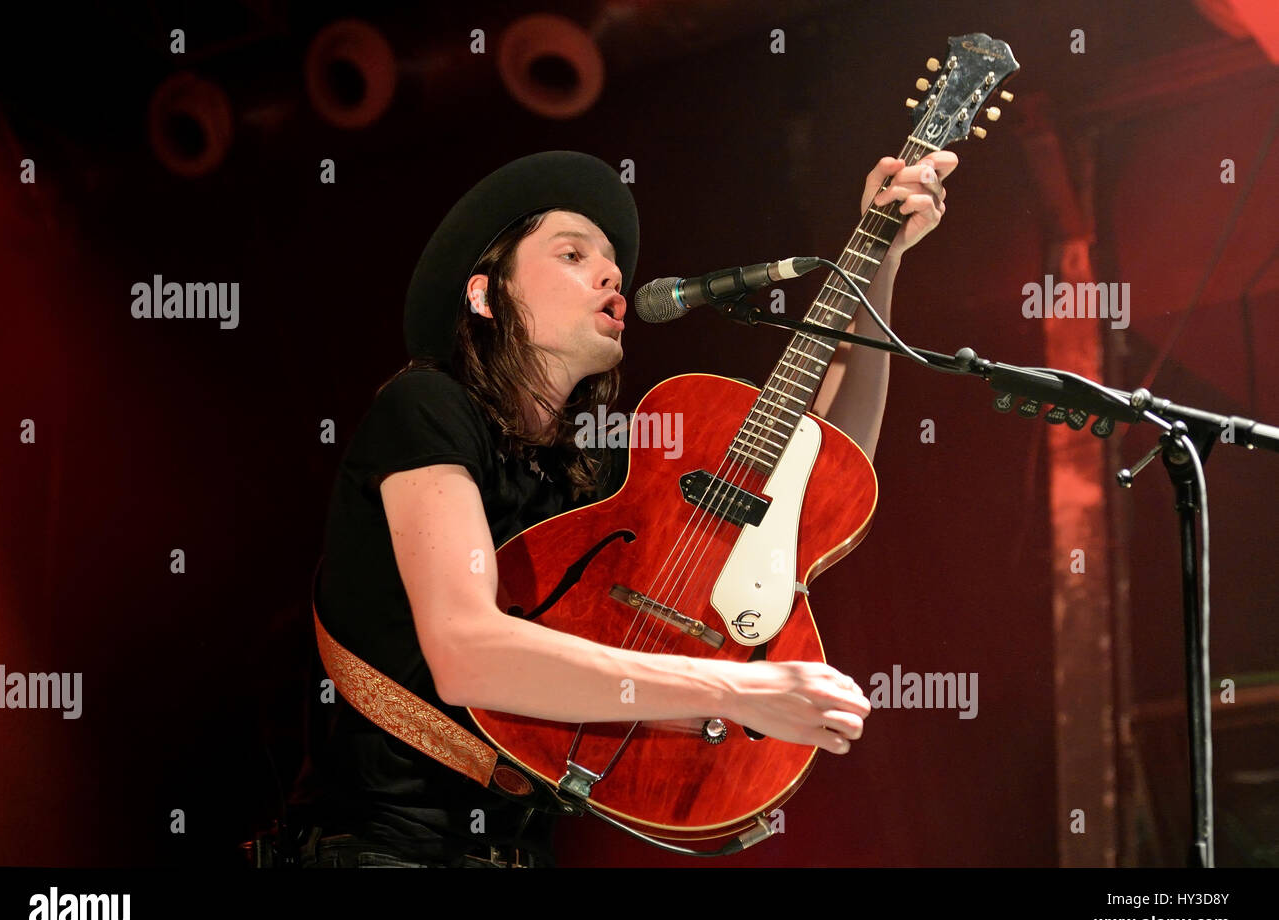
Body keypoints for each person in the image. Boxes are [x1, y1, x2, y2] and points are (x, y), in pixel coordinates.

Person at [291, 148, 955, 868]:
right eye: (574, 254)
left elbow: (819, 473)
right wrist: (737, 686)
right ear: (484, 296)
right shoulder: (427, 405)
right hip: (382, 851)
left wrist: (879, 262)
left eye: (612, 262)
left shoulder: (597, 464)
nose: (611, 274)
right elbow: (465, 650)